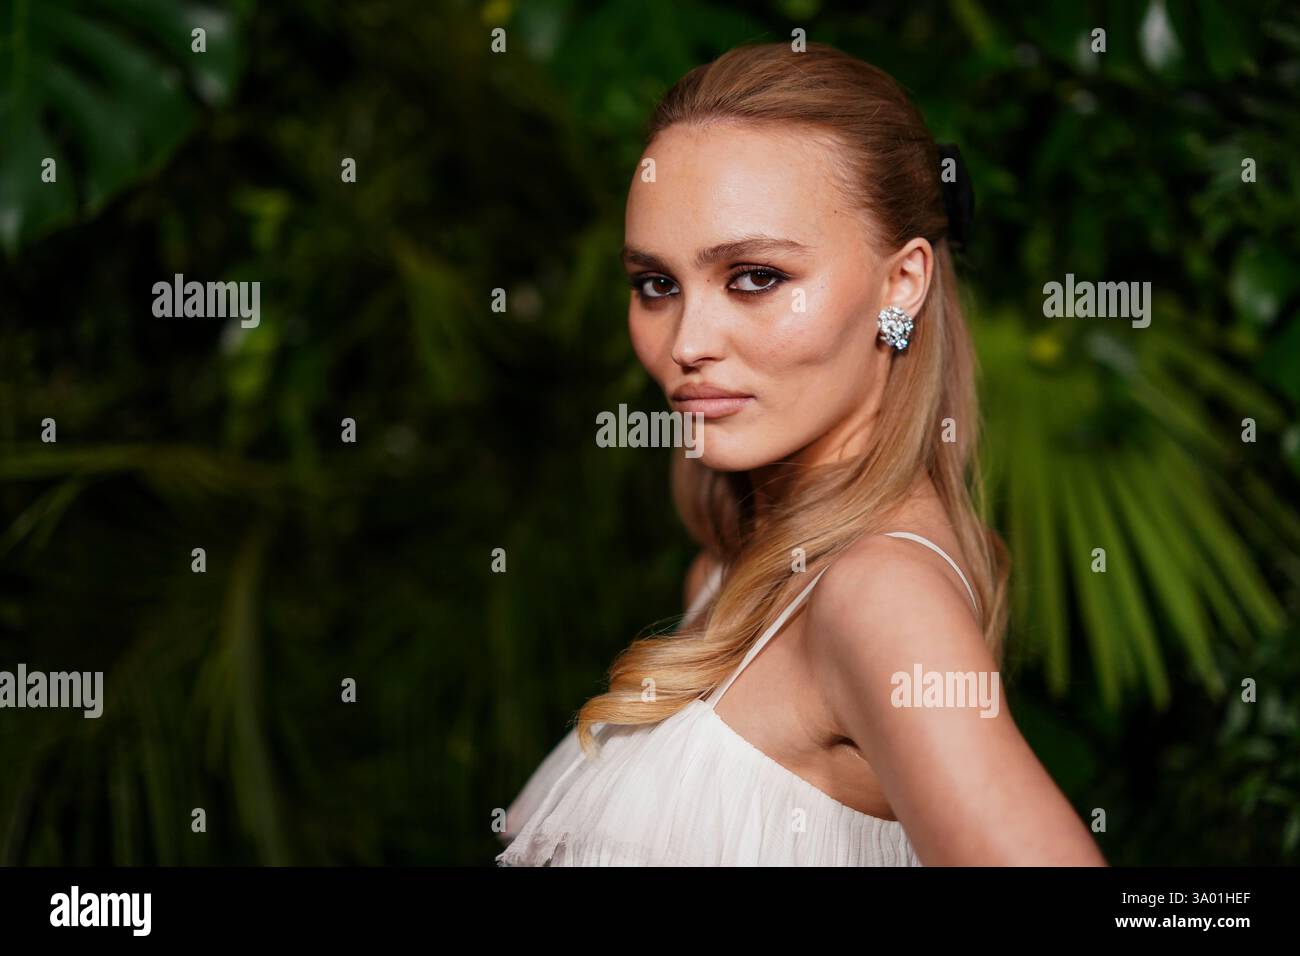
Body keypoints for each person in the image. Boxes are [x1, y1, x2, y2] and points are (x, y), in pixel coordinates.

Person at [497, 41, 1105, 866]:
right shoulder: (735, 567)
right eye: (656, 284)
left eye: (753, 277)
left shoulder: (878, 595)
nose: (687, 342)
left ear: (903, 284)